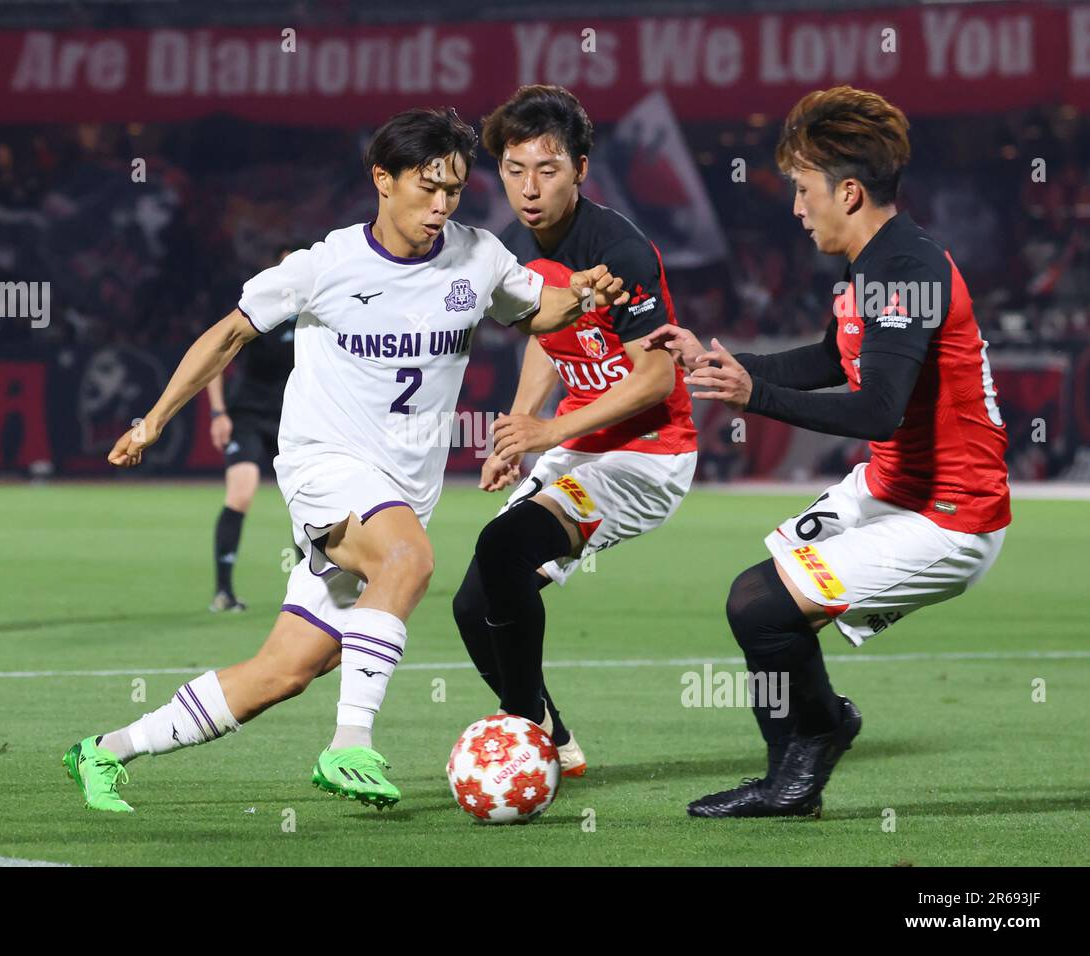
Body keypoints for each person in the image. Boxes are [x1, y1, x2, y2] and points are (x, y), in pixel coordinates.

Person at [63, 107, 627, 812]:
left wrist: (582, 296)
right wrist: (153, 420)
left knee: (285, 670)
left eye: (453, 190)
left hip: (402, 489)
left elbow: (535, 310)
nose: (441, 205)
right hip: (325, 465)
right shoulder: (325, 265)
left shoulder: (477, 256)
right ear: (382, 181)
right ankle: (349, 744)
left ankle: (105, 751)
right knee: (410, 561)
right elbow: (226, 336)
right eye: (427, 189)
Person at [649, 86, 1010, 817]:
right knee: (756, 600)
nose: (795, 208)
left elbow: (879, 406)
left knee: (767, 610)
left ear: (848, 192)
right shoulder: (872, 262)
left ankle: (802, 765)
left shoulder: (907, 269)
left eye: (803, 189)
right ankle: (806, 749)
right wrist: (720, 363)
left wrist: (755, 398)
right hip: (892, 486)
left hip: (952, 515)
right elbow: (826, 357)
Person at [452, 86, 698, 776]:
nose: (529, 188)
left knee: (502, 547)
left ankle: (524, 728)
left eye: (547, 170)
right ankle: (552, 736)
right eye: (513, 169)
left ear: (581, 168)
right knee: (476, 604)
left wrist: (546, 429)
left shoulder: (618, 249)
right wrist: (518, 429)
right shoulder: (514, 246)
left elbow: (655, 380)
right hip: (579, 446)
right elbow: (544, 333)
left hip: (648, 457)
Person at [205, 244, 300, 614]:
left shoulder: (320, 312)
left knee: (305, 503)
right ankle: (223, 592)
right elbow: (217, 355)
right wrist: (219, 413)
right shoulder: (263, 309)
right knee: (241, 494)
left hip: (293, 419)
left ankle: (308, 593)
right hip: (247, 414)